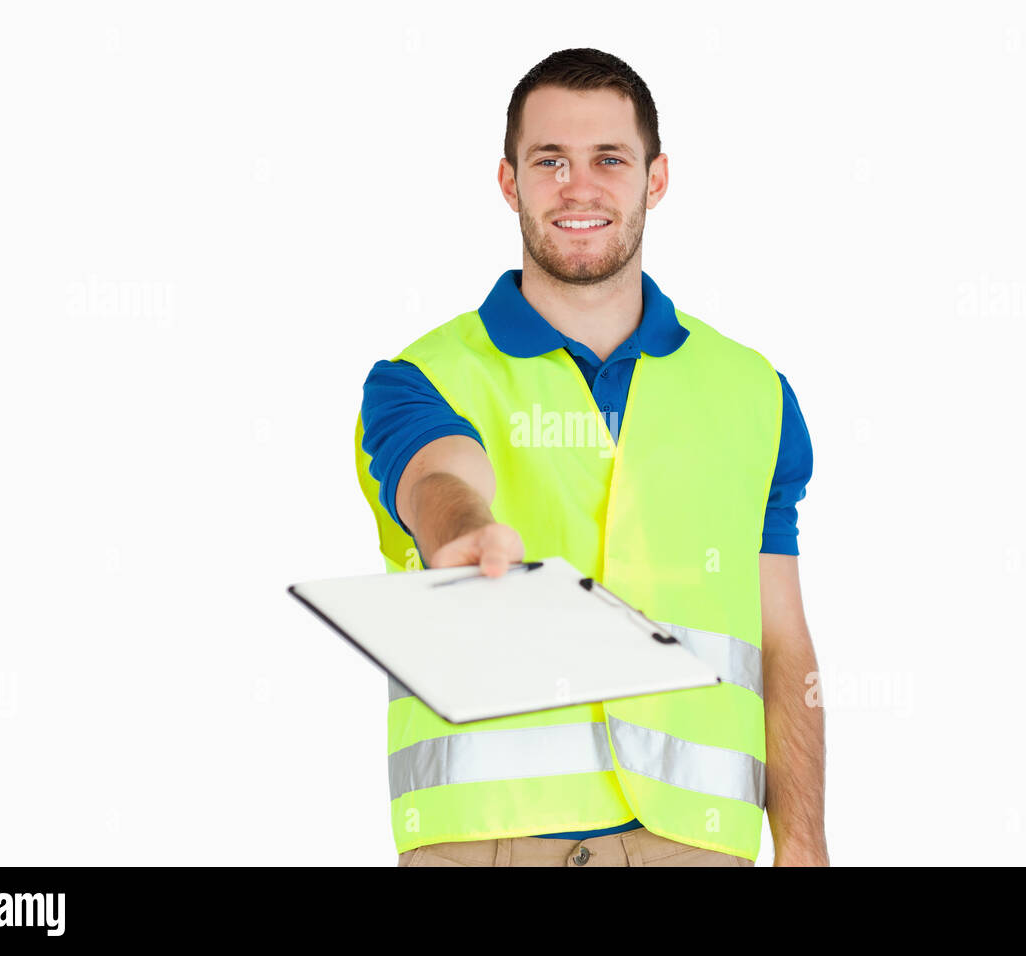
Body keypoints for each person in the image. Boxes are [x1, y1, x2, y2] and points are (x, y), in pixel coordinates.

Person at [354, 48, 828, 867]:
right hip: (486, 846)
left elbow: (781, 638)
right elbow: (438, 473)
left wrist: (805, 844)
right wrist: (462, 530)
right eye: (550, 161)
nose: (580, 187)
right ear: (509, 183)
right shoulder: (422, 377)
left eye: (610, 158)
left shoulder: (755, 393)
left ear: (657, 177)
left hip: (694, 848)